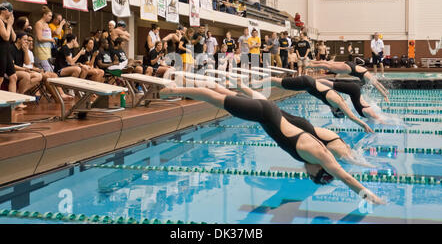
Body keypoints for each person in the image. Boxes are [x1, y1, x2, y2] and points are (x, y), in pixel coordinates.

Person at [158, 80, 385, 205]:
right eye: (311, 174)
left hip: (268, 112)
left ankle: (208, 83)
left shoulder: (314, 156)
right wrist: (370, 196)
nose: (307, 172)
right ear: (319, 171)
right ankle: (172, 91)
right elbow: (345, 177)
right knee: (212, 98)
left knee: (222, 95)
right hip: (264, 113)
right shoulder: (319, 155)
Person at [257, 76, 373, 132]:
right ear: (336, 110)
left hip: (307, 83)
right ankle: (256, 83)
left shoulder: (335, 101)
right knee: (277, 82)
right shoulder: (337, 101)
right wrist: (363, 125)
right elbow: (350, 116)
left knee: (278, 84)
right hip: (305, 83)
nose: (331, 110)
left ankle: (257, 84)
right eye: (333, 112)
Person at [306, 60, 390, 103]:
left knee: (329, 63)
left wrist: (385, 90)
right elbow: (376, 85)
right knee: (328, 67)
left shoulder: (370, 75)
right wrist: (384, 96)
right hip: (349, 69)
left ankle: (311, 62)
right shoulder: (368, 78)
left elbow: (378, 83)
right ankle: (309, 66)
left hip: (350, 64)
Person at [24, 33, 73, 102]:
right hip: (27, 71)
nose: (30, 43)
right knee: (47, 77)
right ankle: (57, 98)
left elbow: (31, 65)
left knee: (54, 75)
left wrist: (37, 69)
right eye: (28, 41)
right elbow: (25, 66)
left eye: (31, 41)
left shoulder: (30, 52)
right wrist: (36, 69)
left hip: (33, 70)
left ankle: (62, 94)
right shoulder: (23, 51)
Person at [317, 79, 384, 123]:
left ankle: (315, 82)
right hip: (352, 90)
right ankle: (314, 81)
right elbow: (379, 119)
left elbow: (374, 120)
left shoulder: (365, 113)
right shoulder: (366, 111)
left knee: (331, 85)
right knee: (331, 84)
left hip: (353, 90)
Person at [0, 2, 17, 92]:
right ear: (5, 11)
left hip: (7, 52)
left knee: (13, 77)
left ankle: (13, 103)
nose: (11, 14)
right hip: (0, 52)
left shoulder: (8, 22)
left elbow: (13, 38)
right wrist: (10, 25)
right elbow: (6, 37)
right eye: (11, 11)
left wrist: (11, 25)